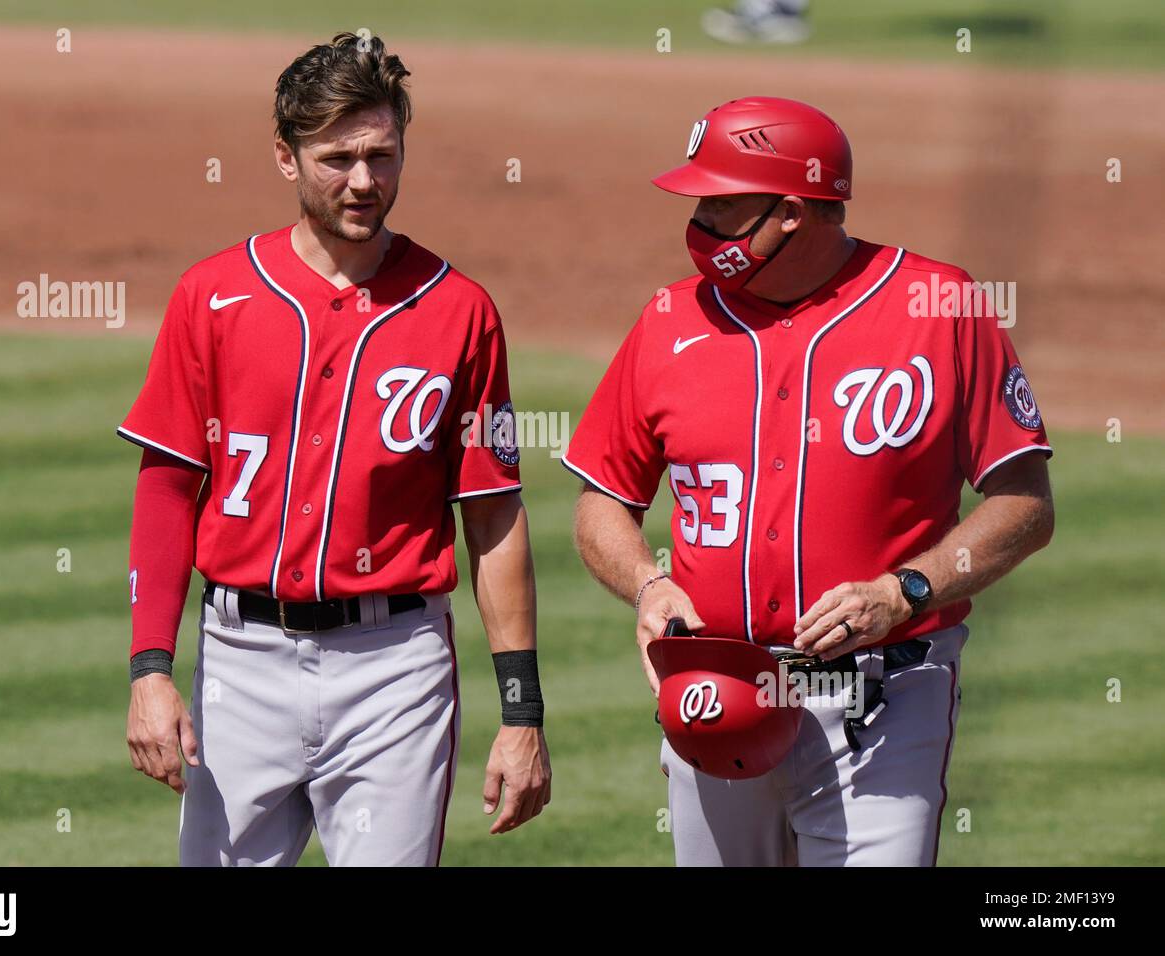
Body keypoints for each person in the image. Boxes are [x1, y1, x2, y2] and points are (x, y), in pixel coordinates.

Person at [565, 96, 1053, 866]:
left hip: (883, 702)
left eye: (720, 206)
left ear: (790, 212)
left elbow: (1025, 503)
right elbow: (601, 504)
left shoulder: (940, 308)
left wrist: (905, 592)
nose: (698, 223)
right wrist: (647, 585)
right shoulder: (668, 320)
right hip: (713, 696)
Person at [120, 33, 551, 866]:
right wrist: (149, 669)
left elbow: (492, 514)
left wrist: (523, 714)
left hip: (395, 668)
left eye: (382, 156)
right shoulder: (214, 297)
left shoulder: (459, 311)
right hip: (239, 663)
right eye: (337, 158)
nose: (364, 181)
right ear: (285, 157)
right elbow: (167, 487)